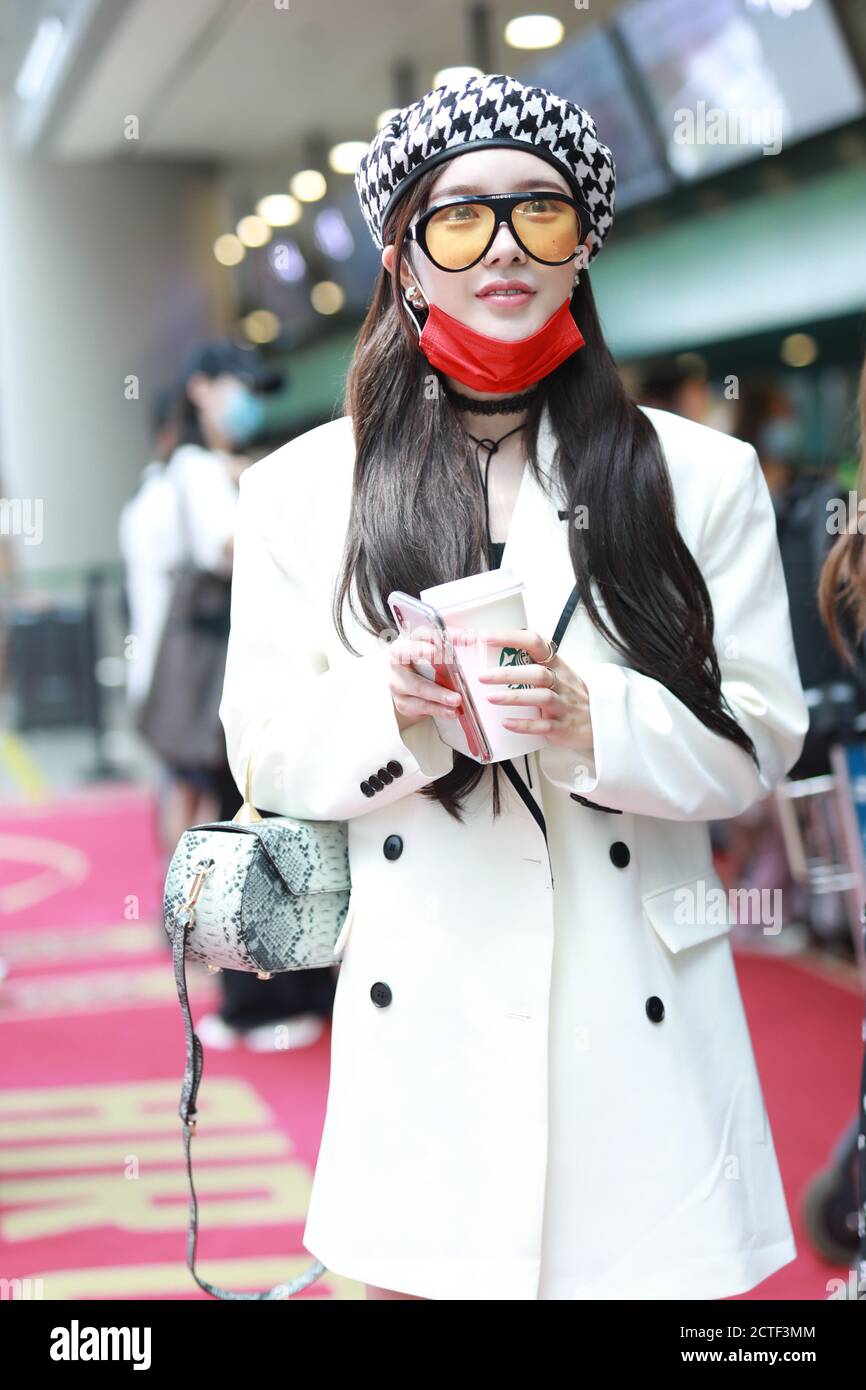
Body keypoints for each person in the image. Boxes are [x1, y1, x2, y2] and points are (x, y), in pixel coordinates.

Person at [219, 73, 809, 1301]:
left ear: (581, 240)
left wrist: (600, 722)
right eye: (457, 217)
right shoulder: (299, 488)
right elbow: (264, 751)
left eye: (537, 211)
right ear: (403, 254)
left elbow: (758, 740)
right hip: (417, 1020)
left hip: (638, 1022)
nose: (500, 248)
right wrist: (391, 709)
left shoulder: (699, 476)